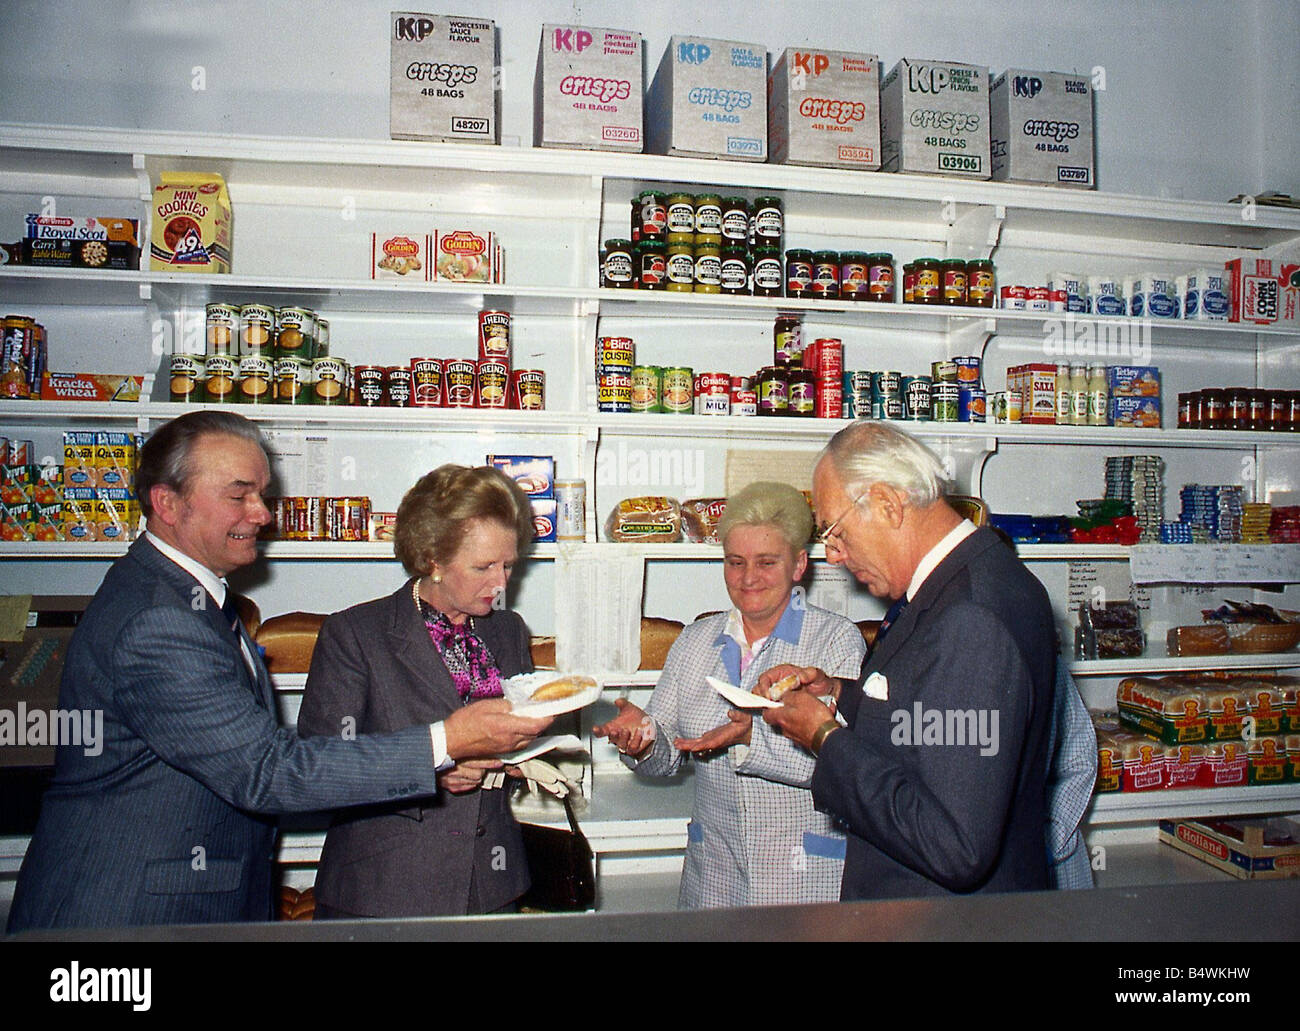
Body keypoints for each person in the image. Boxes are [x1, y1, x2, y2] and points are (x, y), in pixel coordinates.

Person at [7, 411, 549, 931]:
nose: (263, 513)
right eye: (239, 494)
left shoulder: (192, 600)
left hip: (190, 898)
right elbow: (267, 771)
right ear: (167, 503)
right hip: (129, 912)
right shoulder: (159, 620)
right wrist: (448, 740)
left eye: (261, 495)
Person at [760, 422, 1056, 900]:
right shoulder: (978, 577)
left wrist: (823, 737)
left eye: (835, 532)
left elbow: (954, 845)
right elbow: (942, 723)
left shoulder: (970, 617)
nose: (832, 557)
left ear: (887, 503)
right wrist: (838, 694)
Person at [593, 482, 866, 907]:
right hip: (714, 879)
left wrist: (750, 738)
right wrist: (643, 741)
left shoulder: (835, 641)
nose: (748, 578)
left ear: (798, 565)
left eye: (766, 562)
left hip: (804, 877)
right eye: (735, 562)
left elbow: (843, 766)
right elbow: (666, 752)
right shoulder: (697, 640)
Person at [297, 464, 542, 918]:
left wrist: (532, 755)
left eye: (509, 564)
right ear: (432, 558)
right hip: (385, 890)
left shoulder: (508, 630)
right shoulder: (355, 633)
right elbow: (320, 770)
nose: (501, 583)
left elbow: (519, 733)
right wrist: (432, 772)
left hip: (490, 887)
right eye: (483, 566)